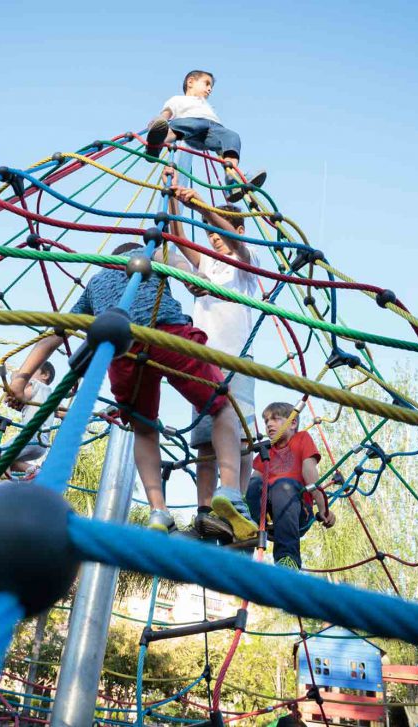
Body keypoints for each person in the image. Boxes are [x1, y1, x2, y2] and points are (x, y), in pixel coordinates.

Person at [5, 241, 242, 534]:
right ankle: (230, 490)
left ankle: (158, 511)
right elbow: (176, 259)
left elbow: (57, 332)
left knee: (144, 429)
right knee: (222, 407)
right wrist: (196, 279)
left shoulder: (95, 283)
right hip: (167, 334)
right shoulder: (148, 252)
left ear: (106, 260)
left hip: (125, 354)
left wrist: (20, 377)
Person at [163, 184, 260, 541]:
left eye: (218, 231)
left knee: (242, 433)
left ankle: (237, 500)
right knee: (205, 441)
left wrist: (204, 207)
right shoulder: (208, 264)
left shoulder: (245, 263)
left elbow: (237, 247)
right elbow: (182, 242)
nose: (214, 238)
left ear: (236, 231)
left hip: (237, 358)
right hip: (204, 359)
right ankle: (206, 512)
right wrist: (173, 197)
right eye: (209, 233)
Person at [222, 402, 335, 567]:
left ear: (293, 423)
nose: (269, 424)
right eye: (267, 421)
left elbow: (309, 472)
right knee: (253, 486)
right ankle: (244, 547)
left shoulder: (301, 438)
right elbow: (254, 482)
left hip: (298, 510)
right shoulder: (267, 449)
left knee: (283, 486)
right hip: (268, 516)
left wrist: (322, 507)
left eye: (275, 419)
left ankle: (288, 558)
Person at [145, 69, 266, 203]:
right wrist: (158, 122)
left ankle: (232, 181)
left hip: (213, 129)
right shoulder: (177, 99)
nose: (210, 89)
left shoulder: (207, 105)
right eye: (206, 84)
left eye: (211, 87)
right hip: (190, 125)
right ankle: (156, 143)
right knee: (188, 125)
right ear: (190, 82)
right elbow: (166, 114)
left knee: (232, 137)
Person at [7, 361, 57, 478]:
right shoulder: (51, 396)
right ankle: (34, 471)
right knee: (11, 463)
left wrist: (16, 377)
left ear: (45, 375)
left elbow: (20, 393)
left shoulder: (36, 384)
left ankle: (6, 485)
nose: (27, 376)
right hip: (41, 443)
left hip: (31, 435)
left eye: (31, 372)